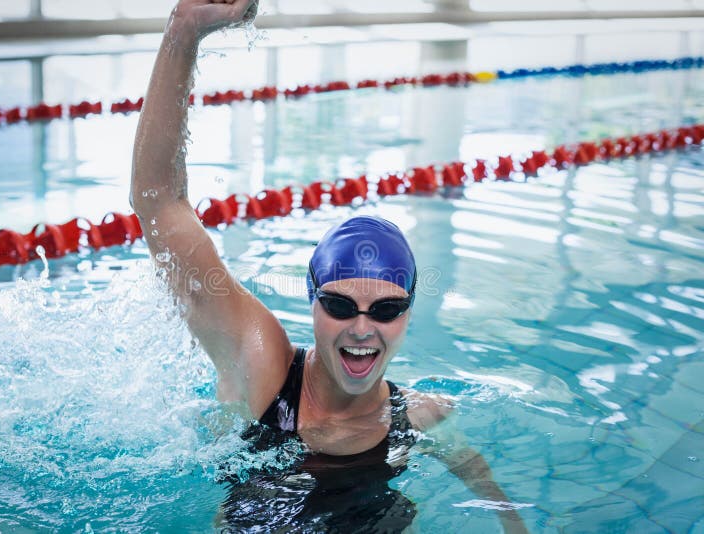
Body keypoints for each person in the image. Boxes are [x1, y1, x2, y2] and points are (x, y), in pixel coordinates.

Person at [131, 1, 528, 532]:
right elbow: (159, 203)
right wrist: (185, 29)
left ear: (409, 312)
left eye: (385, 309)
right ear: (311, 300)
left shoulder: (420, 418)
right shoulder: (263, 368)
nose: (362, 328)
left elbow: (485, 487)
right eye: (341, 305)